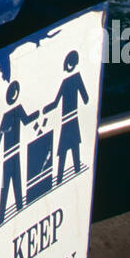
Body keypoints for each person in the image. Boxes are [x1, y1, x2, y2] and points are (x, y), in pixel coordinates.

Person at [0, 81, 39, 225]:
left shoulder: (17, 110)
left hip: (14, 154)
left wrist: (36, 115)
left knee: (16, 182)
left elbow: (26, 120)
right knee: (6, 185)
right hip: (10, 155)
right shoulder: (10, 114)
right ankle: (2, 216)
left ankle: (17, 209)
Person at [43, 50, 89, 183]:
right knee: (72, 146)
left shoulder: (69, 81)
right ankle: (75, 172)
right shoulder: (75, 79)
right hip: (72, 119)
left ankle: (60, 178)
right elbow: (85, 98)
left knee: (65, 149)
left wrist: (48, 108)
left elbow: (56, 102)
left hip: (68, 120)